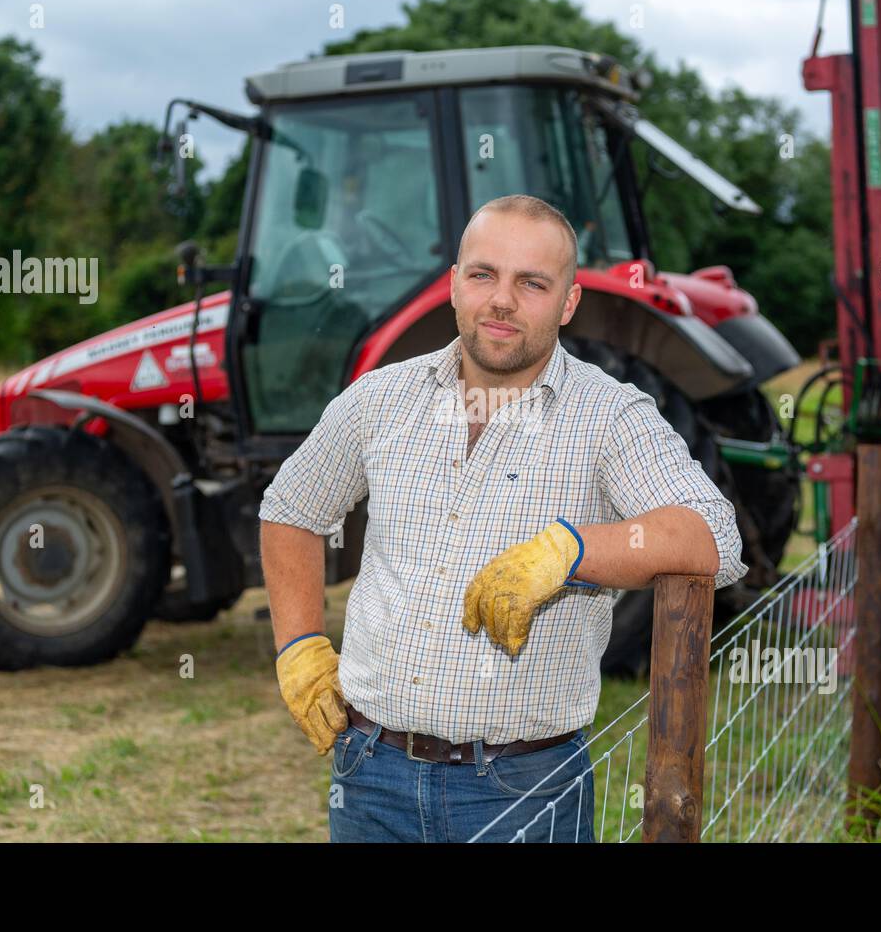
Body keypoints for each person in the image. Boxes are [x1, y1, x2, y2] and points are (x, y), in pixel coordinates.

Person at [260, 194, 746, 843]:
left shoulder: (610, 417)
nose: (501, 300)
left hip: (521, 789)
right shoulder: (379, 399)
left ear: (569, 302)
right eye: (484, 274)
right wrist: (298, 644)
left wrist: (568, 551)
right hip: (368, 771)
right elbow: (291, 508)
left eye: (532, 283)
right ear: (455, 283)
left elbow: (714, 534)